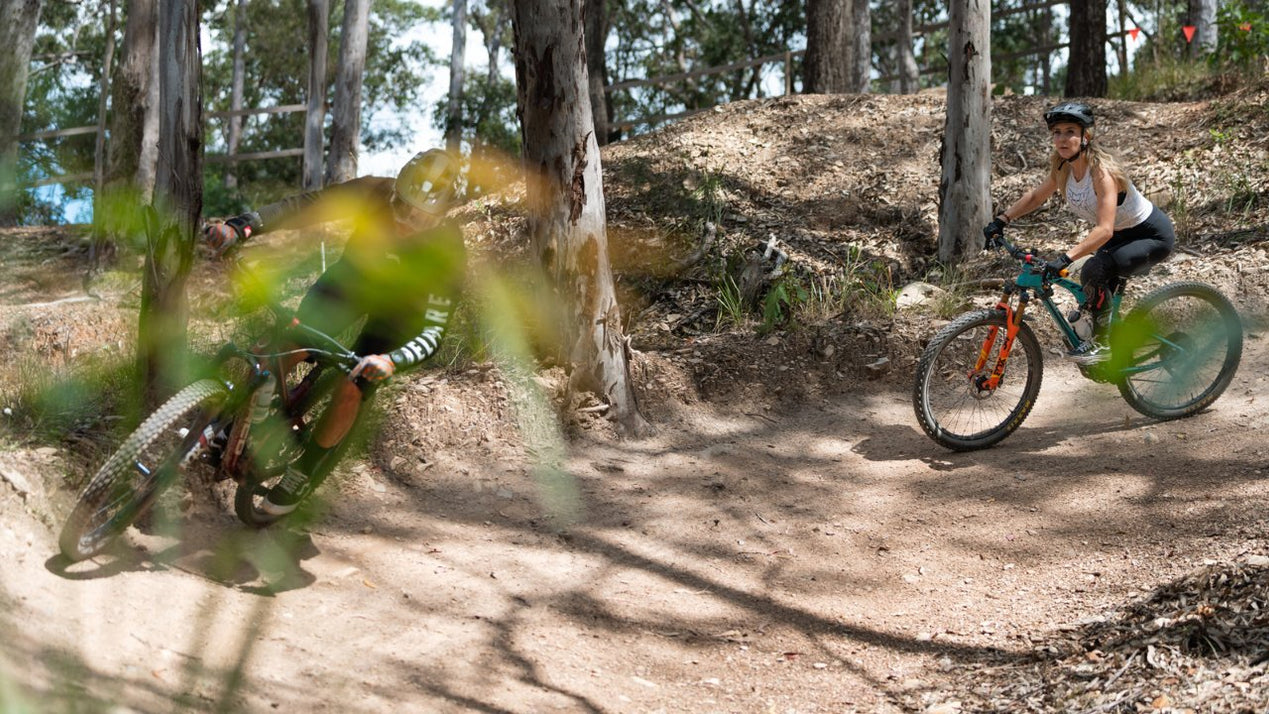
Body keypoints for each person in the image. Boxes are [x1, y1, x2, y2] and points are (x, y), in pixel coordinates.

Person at [204, 148, 466, 515]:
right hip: (350, 285)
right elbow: (309, 205)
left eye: (421, 218)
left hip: (400, 318)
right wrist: (243, 225)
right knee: (282, 346)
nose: (407, 222)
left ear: (440, 218)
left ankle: (305, 472)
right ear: (394, 192)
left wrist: (391, 361)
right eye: (403, 208)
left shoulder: (447, 251)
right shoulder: (373, 192)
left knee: (352, 385)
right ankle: (242, 425)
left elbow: (434, 332)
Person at [982, 101, 1175, 365]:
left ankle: (1104, 344)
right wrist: (1002, 219)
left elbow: (1104, 229)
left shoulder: (1102, 172)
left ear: (1085, 136)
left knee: (1094, 269)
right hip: (1118, 236)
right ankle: (1106, 341)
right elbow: (1036, 196)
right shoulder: (1063, 167)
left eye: (1070, 131)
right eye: (1057, 132)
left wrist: (1065, 257)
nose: (1062, 138)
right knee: (1088, 280)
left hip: (1149, 235)